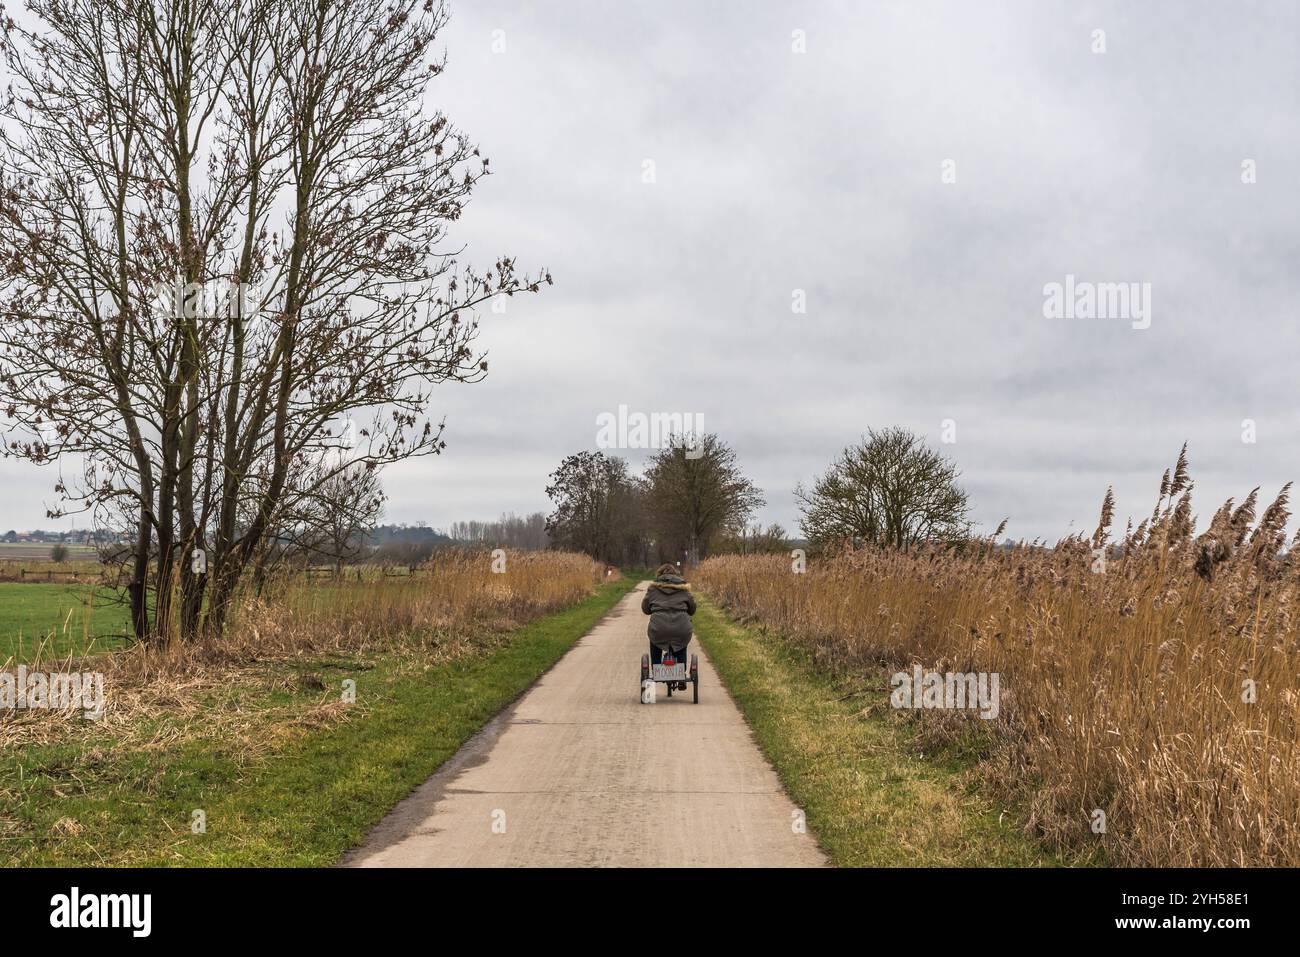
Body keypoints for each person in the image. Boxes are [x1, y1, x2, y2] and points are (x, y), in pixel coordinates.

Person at [641, 563, 696, 690]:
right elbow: (692, 609)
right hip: (680, 627)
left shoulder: (653, 589)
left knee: (655, 641)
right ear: (676, 575)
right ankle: (681, 674)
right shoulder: (683, 588)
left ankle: (656, 669)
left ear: (659, 575)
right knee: (681, 643)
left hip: (659, 628)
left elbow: (645, 609)